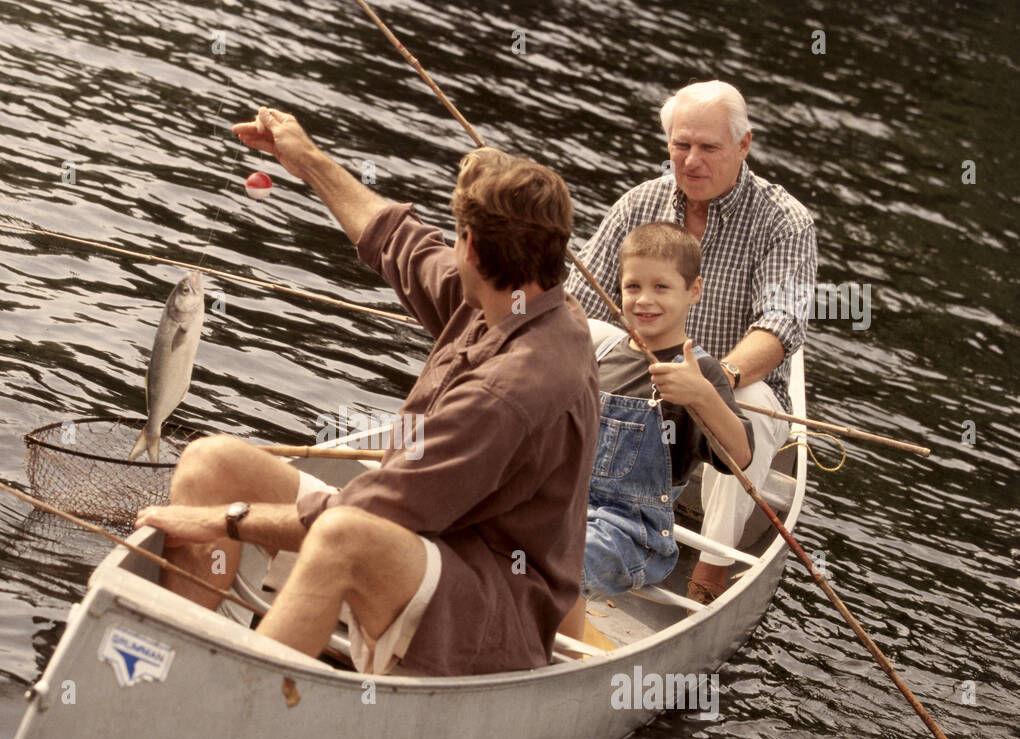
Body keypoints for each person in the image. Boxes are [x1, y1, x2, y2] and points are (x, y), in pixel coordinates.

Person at [134, 106, 600, 677]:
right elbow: (395, 239)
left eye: (456, 235)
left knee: (342, 534)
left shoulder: (511, 390)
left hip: (492, 606)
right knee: (210, 461)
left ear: (472, 247)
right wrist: (304, 160)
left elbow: (368, 513)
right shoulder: (510, 295)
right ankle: (173, 668)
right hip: (424, 540)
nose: (449, 247)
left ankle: (234, 706)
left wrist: (220, 522)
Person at [565, 80, 816, 605]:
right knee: (569, 337)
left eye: (709, 147)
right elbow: (577, 297)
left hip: (732, 379)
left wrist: (708, 380)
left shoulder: (784, 220)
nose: (691, 159)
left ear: (744, 145)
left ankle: (712, 565)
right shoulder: (642, 202)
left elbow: (782, 324)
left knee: (748, 405)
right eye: (681, 145)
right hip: (640, 370)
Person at [559, 223, 753, 649]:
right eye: (633, 286)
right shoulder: (604, 356)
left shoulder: (702, 373)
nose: (644, 300)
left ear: (694, 291)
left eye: (661, 287)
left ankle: (561, 663)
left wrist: (702, 396)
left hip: (632, 531)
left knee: (558, 565)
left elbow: (739, 455)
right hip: (566, 506)